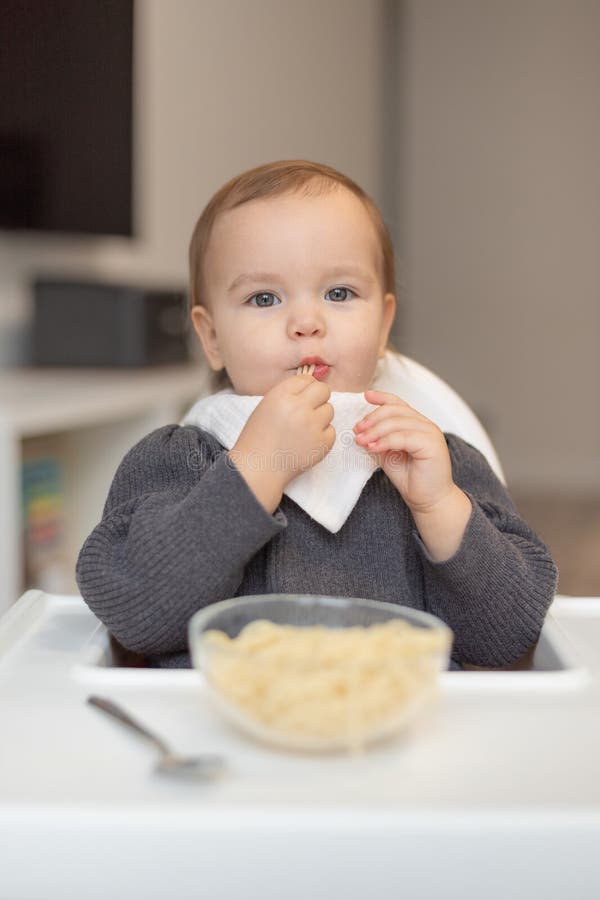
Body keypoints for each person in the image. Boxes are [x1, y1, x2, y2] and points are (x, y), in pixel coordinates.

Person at [76, 159, 557, 670]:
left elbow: (510, 636)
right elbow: (135, 615)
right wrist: (255, 471)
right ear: (211, 337)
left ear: (383, 323)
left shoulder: (437, 460)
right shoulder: (179, 460)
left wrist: (439, 505)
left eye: (339, 293)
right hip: (226, 731)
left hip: (399, 735)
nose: (307, 322)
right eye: (264, 298)